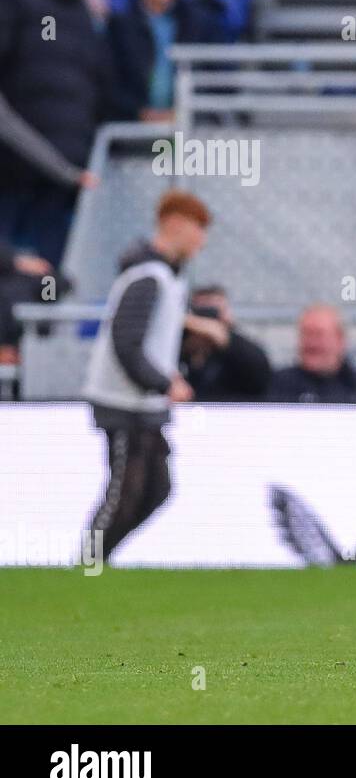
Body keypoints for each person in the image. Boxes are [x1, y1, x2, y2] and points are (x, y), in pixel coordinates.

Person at [82, 191, 212, 562]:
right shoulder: (147, 276)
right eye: (198, 229)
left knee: (156, 487)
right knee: (126, 489)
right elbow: (127, 343)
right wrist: (164, 381)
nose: (201, 241)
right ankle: (89, 563)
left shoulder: (166, 278)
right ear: (175, 225)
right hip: (122, 401)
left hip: (144, 402)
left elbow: (151, 339)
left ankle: (100, 559)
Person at [0, 0, 107, 267]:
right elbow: (96, 74)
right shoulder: (76, 3)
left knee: (10, 271)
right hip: (70, 153)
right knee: (50, 275)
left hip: (16, 157)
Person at [107, 0, 227, 122]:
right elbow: (108, 84)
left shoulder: (202, 23)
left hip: (194, 127)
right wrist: (140, 114)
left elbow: (218, 80)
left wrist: (186, 113)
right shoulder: (119, 27)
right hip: (132, 129)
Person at [265, 305, 356, 403]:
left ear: (340, 339)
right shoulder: (276, 386)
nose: (311, 343)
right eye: (306, 334)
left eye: (318, 334)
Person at [179, 285, 272, 402]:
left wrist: (224, 336)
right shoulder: (180, 351)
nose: (207, 319)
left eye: (213, 311)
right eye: (202, 311)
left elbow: (260, 373)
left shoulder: (241, 353)